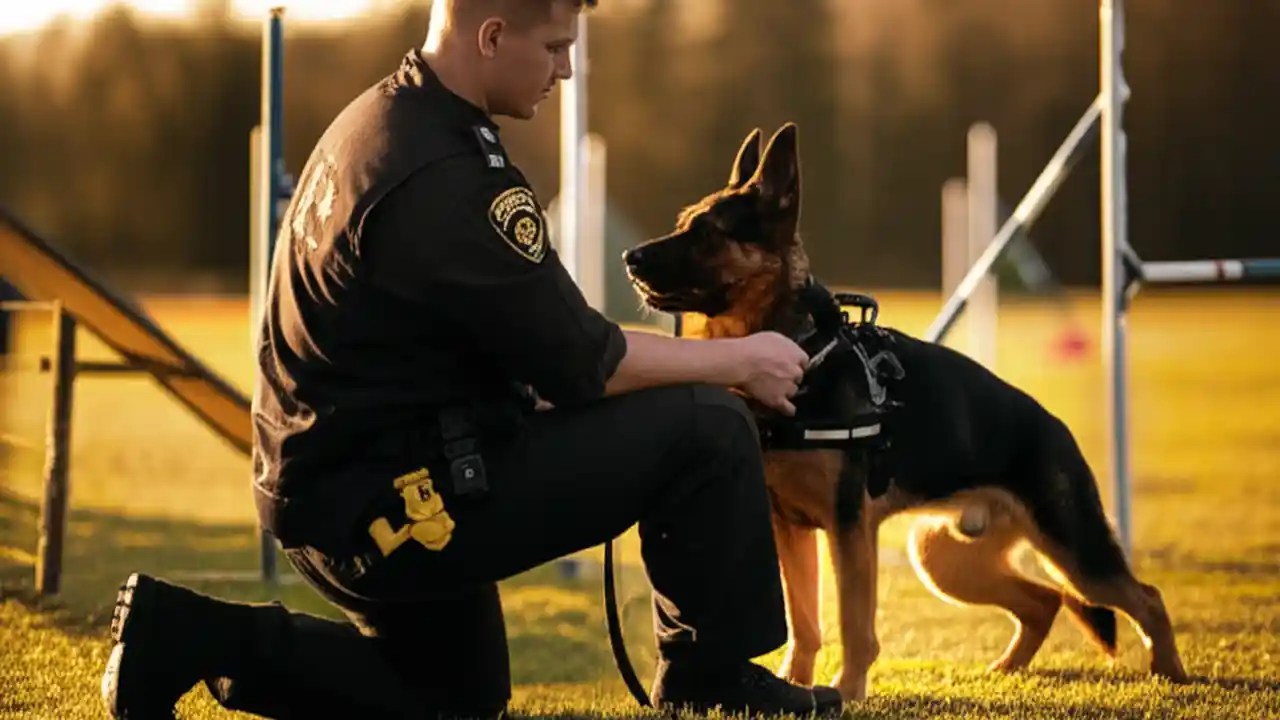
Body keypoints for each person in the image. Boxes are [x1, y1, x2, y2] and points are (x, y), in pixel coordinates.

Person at [100, 1, 844, 718]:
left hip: (337, 494)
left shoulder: (380, 121)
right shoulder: (447, 177)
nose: (565, 70)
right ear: (491, 36)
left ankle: (185, 632)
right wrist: (740, 359)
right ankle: (709, 679)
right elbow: (582, 361)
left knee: (456, 692)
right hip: (392, 506)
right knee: (709, 424)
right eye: (554, 48)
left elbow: (514, 344)